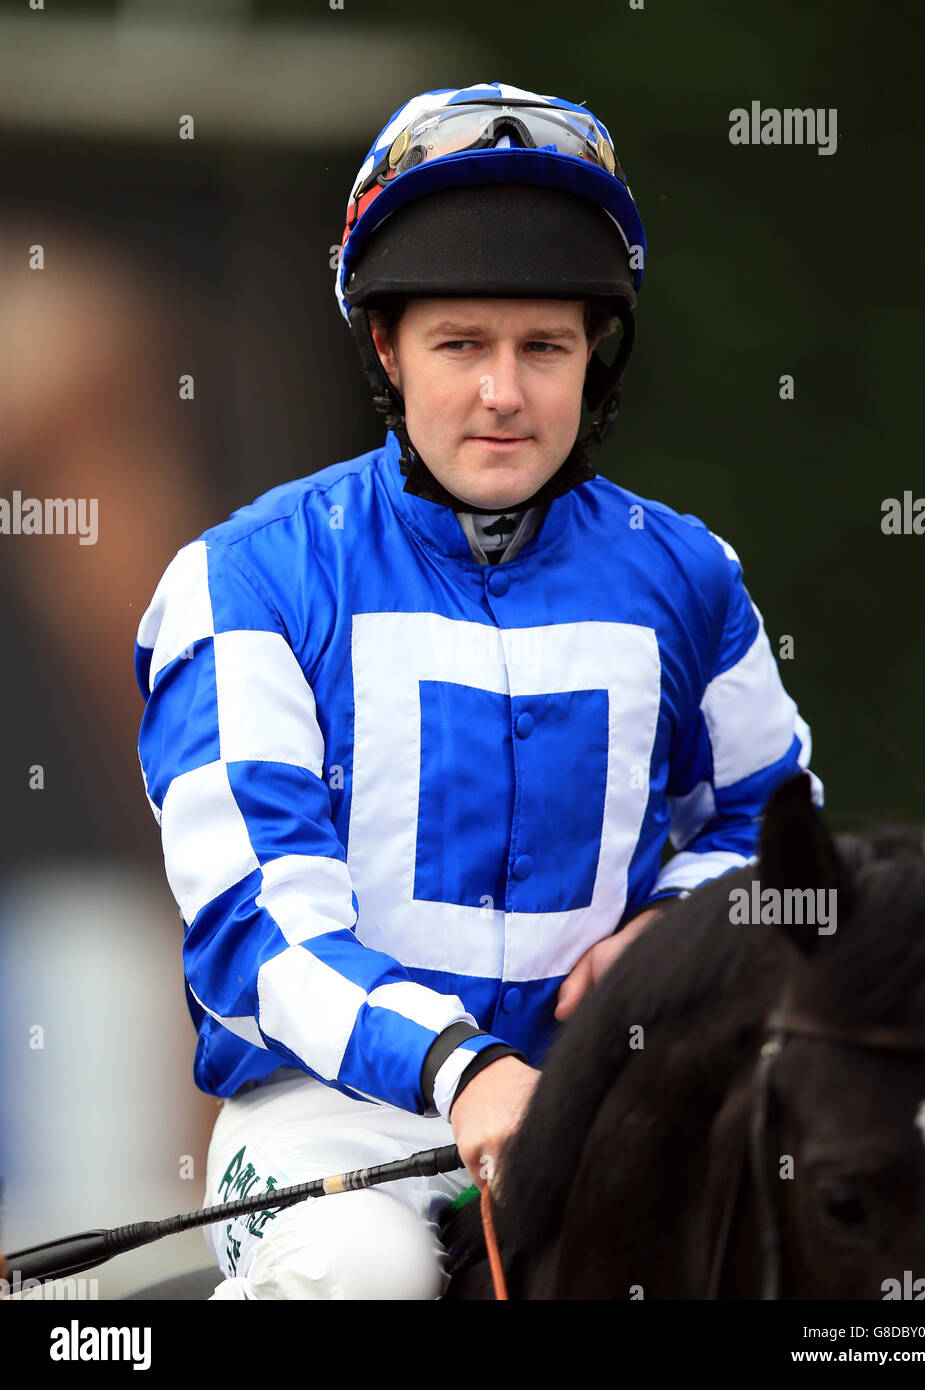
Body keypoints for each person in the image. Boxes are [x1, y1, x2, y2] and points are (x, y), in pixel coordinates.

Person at [134, 81, 822, 1300]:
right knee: (364, 1271)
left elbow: (772, 826)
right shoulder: (245, 580)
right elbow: (258, 929)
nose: (503, 392)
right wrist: (461, 1066)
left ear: (593, 358)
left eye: (542, 347)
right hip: (329, 1128)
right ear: (388, 351)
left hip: (603, 1102)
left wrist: (673, 931)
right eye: (461, 345)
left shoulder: (689, 577)